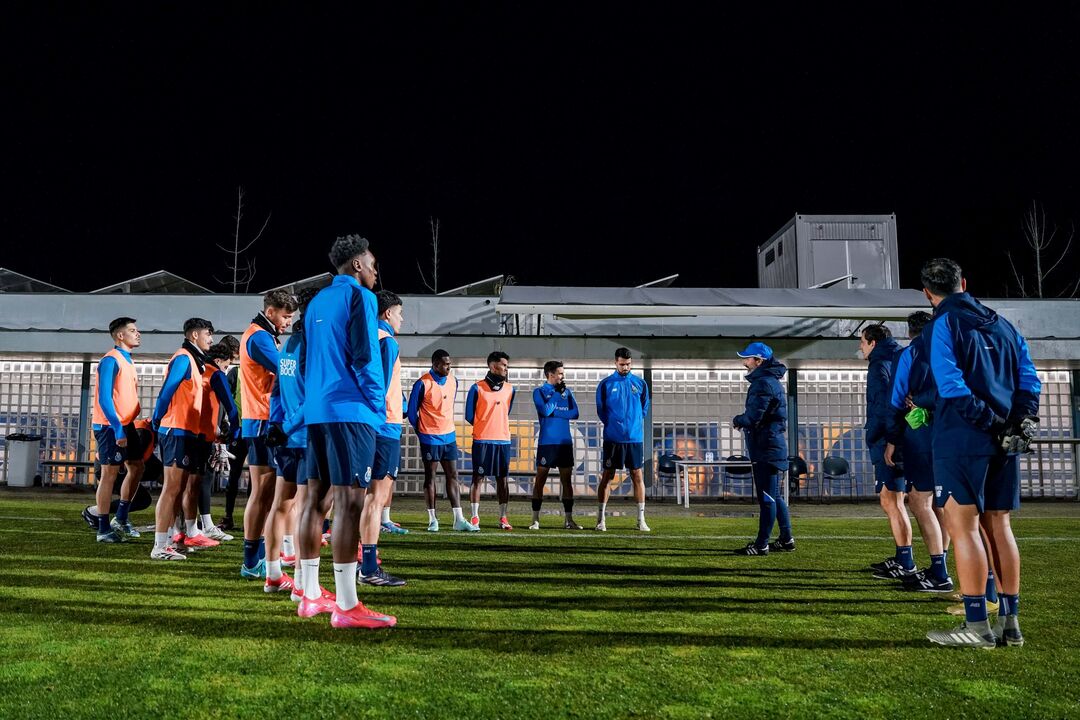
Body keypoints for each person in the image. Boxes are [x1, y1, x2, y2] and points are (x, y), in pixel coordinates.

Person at [921, 258, 1040, 649]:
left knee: (964, 527)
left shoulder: (942, 323)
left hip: (962, 439)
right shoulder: (1004, 325)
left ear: (927, 293)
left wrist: (989, 423)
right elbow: (1029, 380)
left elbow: (952, 386)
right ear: (963, 283)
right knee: (1000, 527)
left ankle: (977, 627)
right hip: (1004, 442)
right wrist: (1016, 423)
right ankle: (1011, 625)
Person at [297, 234, 396, 628]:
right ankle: (347, 605)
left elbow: (307, 363)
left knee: (314, 501)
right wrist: (375, 407)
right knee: (350, 503)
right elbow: (364, 358)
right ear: (356, 265)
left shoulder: (317, 300)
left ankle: (308, 596)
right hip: (351, 412)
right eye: (372, 264)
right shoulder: (362, 298)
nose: (375, 271)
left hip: (318, 413)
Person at [884, 312, 953, 592]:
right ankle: (940, 565)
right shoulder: (949, 351)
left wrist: (891, 439)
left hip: (921, 433)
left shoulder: (910, 353)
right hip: (949, 433)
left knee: (919, 500)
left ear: (910, 330)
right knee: (942, 503)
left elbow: (897, 398)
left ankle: (939, 572)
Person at [263, 289, 320, 594]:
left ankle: (273, 576)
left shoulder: (289, 343)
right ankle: (301, 582)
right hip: (304, 436)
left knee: (281, 505)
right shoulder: (312, 345)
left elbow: (276, 390)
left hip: (284, 435)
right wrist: (285, 426)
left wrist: (276, 425)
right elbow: (314, 398)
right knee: (306, 508)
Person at [239, 290, 298, 579]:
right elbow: (285, 370)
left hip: (260, 419)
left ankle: (258, 555)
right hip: (262, 420)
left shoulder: (264, 334)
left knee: (265, 493)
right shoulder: (259, 337)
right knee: (262, 492)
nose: (288, 322)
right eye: (286, 316)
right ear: (271, 311)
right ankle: (251, 560)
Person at [149, 318, 216, 560]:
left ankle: (170, 540)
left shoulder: (195, 361)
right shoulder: (183, 358)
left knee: (177, 490)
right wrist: (158, 418)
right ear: (194, 335)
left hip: (185, 431)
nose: (211, 339)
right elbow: (167, 389)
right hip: (175, 430)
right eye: (208, 333)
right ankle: (159, 546)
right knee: (171, 489)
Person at [358, 290, 408, 586]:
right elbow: (381, 384)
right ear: (388, 313)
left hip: (367, 425)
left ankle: (357, 562)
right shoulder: (386, 340)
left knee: (360, 498)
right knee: (376, 499)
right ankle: (368, 568)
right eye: (400, 313)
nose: (401, 319)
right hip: (384, 425)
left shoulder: (365, 336)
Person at [860, 324, 915, 580]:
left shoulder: (879, 363)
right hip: (901, 436)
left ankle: (906, 561)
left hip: (889, 439)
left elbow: (885, 405)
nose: (860, 347)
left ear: (872, 342)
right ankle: (903, 558)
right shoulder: (900, 357)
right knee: (895, 499)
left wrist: (879, 436)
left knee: (892, 500)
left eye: (862, 342)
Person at [731, 342, 793, 555]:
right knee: (775, 495)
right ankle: (786, 539)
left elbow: (753, 417)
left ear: (759, 361)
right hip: (771, 447)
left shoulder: (763, 384)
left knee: (767, 497)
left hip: (765, 448)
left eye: (748, 358)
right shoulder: (771, 381)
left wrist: (737, 419)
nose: (744, 362)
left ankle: (761, 544)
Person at [89, 317, 146, 542]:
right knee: (109, 475)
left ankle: (120, 518)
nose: (138, 333)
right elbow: (104, 399)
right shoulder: (110, 360)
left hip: (126, 424)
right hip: (110, 426)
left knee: (137, 467)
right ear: (120, 336)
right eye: (133, 330)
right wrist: (117, 429)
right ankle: (103, 528)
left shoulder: (127, 360)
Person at [408, 350, 476, 532]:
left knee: (453, 476)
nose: (449, 366)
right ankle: (432, 519)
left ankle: (459, 519)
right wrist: (421, 432)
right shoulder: (422, 383)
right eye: (445, 364)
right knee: (430, 477)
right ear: (435, 364)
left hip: (449, 437)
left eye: (450, 363)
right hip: (429, 437)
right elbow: (412, 413)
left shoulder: (454, 381)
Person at [595, 347, 650, 532]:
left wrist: (633, 426)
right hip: (613, 438)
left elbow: (644, 409)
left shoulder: (640, 383)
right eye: (621, 364)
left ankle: (641, 520)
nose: (625, 367)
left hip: (634, 439)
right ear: (615, 363)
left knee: (637, 475)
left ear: (631, 363)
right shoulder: (606, 384)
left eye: (628, 364)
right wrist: (614, 425)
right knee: (608, 476)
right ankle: (601, 520)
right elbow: (601, 411)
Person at [466, 351, 517, 530]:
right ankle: (474, 517)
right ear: (493, 366)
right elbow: (469, 416)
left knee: (502, 480)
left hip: (503, 441)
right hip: (482, 440)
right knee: (478, 478)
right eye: (504, 365)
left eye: (506, 366)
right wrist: (485, 426)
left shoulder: (511, 389)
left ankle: (503, 518)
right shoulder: (476, 388)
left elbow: (505, 412)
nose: (506, 368)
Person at [528, 360, 581, 530]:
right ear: (550, 374)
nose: (562, 376)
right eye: (560, 373)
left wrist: (557, 412)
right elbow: (545, 411)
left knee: (567, 482)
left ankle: (568, 520)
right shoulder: (539, 392)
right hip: (547, 442)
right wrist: (558, 397)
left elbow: (575, 413)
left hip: (564, 443)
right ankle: (535, 520)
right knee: (540, 481)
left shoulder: (568, 392)